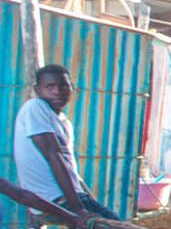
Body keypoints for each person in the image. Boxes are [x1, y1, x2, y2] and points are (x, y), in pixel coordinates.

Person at [13, 64, 114, 220]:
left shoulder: (64, 122)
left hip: (71, 197)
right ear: (37, 90)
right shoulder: (35, 107)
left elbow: (69, 168)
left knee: (115, 228)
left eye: (63, 86)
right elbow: (53, 156)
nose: (57, 92)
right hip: (57, 200)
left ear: (71, 88)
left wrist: (88, 200)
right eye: (50, 87)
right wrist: (79, 209)